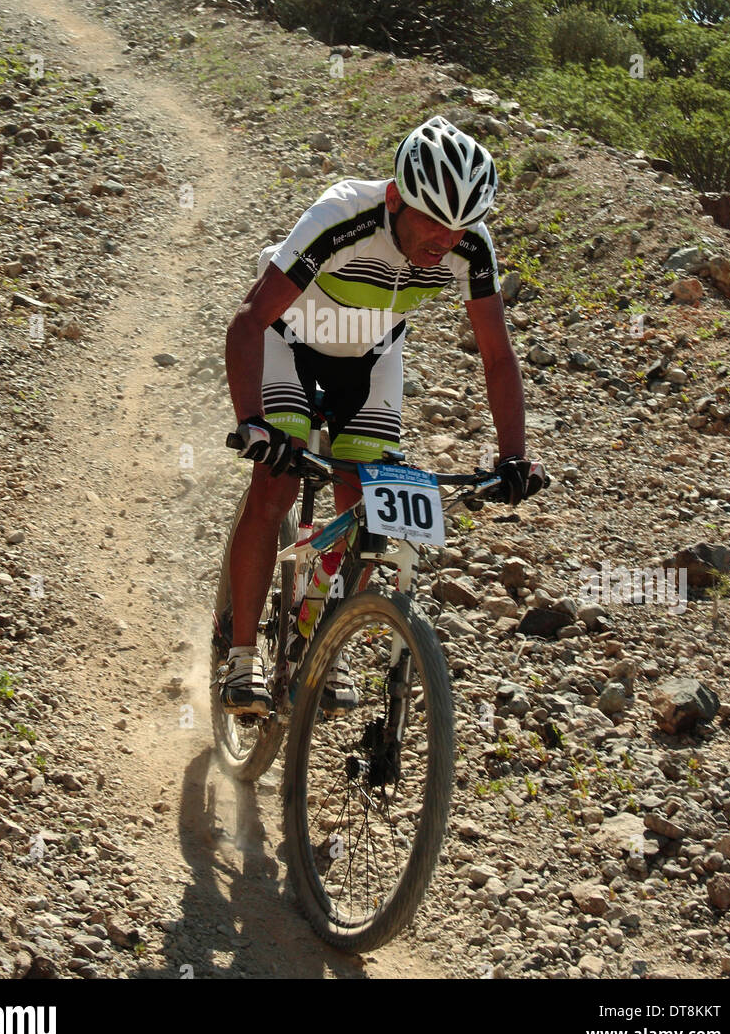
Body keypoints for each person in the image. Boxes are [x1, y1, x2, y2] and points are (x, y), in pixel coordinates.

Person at [222, 115, 545, 716]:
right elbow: (249, 320)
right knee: (277, 482)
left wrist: (514, 456)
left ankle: (327, 641)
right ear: (396, 198)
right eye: (432, 221)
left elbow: (498, 356)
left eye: (460, 227)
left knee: (364, 500)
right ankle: (242, 657)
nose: (444, 241)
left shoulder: (470, 246)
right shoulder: (343, 215)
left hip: (370, 355)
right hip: (289, 338)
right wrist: (253, 423)